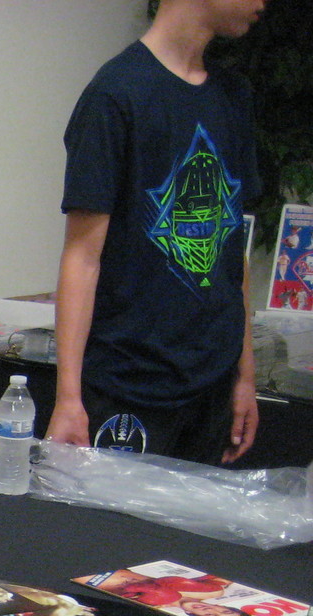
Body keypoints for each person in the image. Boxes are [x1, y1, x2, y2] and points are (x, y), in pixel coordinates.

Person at [46, 0, 268, 464]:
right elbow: (83, 256)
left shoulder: (234, 96)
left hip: (213, 389)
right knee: (116, 538)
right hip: (130, 386)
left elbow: (231, 252)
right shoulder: (116, 93)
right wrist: (69, 398)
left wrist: (244, 376)